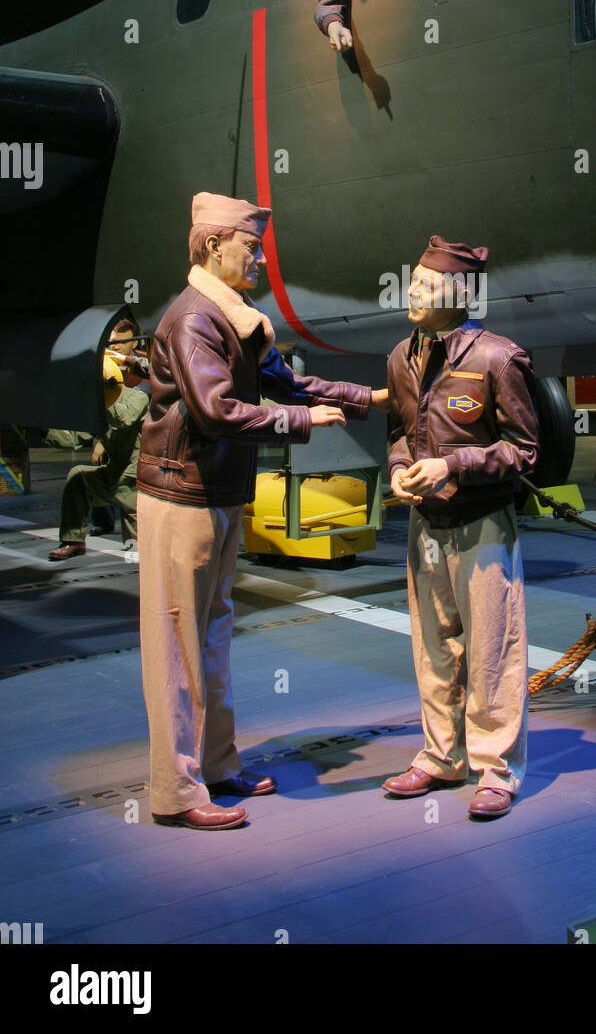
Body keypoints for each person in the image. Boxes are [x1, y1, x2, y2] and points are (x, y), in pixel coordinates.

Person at [136, 191, 389, 831]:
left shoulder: (236, 317)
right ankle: (174, 791)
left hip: (216, 493)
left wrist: (371, 397)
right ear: (213, 244)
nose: (259, 259)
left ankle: (216, 766)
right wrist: (302, 423)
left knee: (212, 638)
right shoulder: (196, 320)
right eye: (251, 247)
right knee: (177, 645)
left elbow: (290, 381)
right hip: (181, 493)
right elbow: (216, 412)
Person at [384, 236, 539, 820]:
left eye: (425, 285)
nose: (412, 293)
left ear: (458, 292)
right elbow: (400, 431)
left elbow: (524, 451)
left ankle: (497, 768)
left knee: (493, 647)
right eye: (413, 280)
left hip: (481, 523)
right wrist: (401, 468)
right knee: (433, 647)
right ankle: (440, 755)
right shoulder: (401, 357)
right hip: (426, 523)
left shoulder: (497, 359)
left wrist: (453, 464)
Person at [48, 321, 150, 561]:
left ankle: (139, 548)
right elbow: (75, 436)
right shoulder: (100, 403)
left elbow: (123, 419)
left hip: (137, 476)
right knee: (78, 476)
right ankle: (73, 540)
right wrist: (47, 422)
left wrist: (105, 395)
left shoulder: (138, 396)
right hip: (114, 472)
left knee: (140, 552)